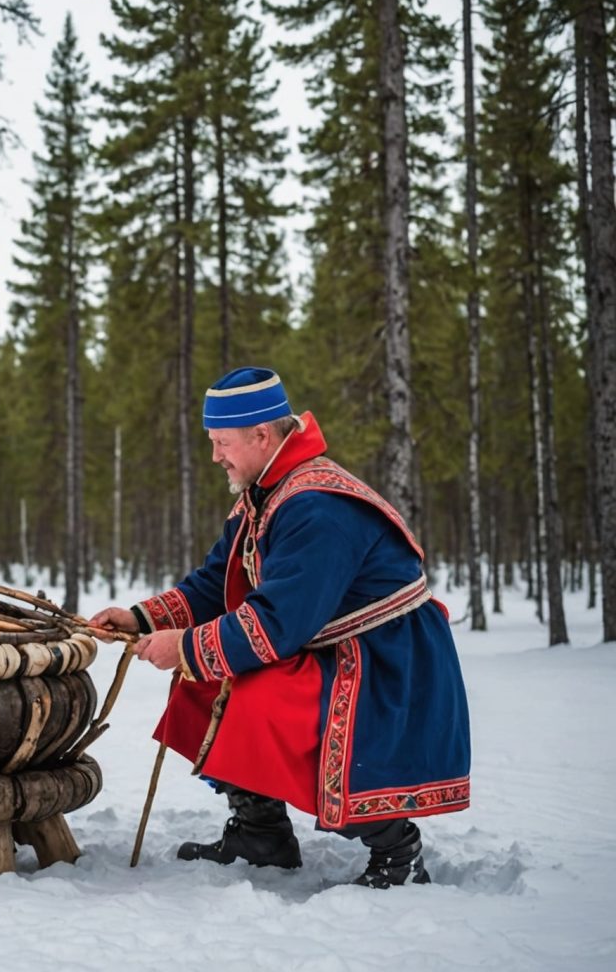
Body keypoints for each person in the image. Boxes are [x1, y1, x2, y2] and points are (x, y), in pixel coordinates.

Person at [91, 367, 471, 888]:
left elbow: (276, 624)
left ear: (262, 436)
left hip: (384, 665)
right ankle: (260, 834)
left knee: (256, 697)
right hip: (328, 647)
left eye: (222, 442)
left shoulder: (316, 505)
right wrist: (141, 618)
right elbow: (214, 583)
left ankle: (397, 851)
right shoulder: (266, 490)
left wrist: (184, 645)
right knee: (203, 682)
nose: (215, 456)